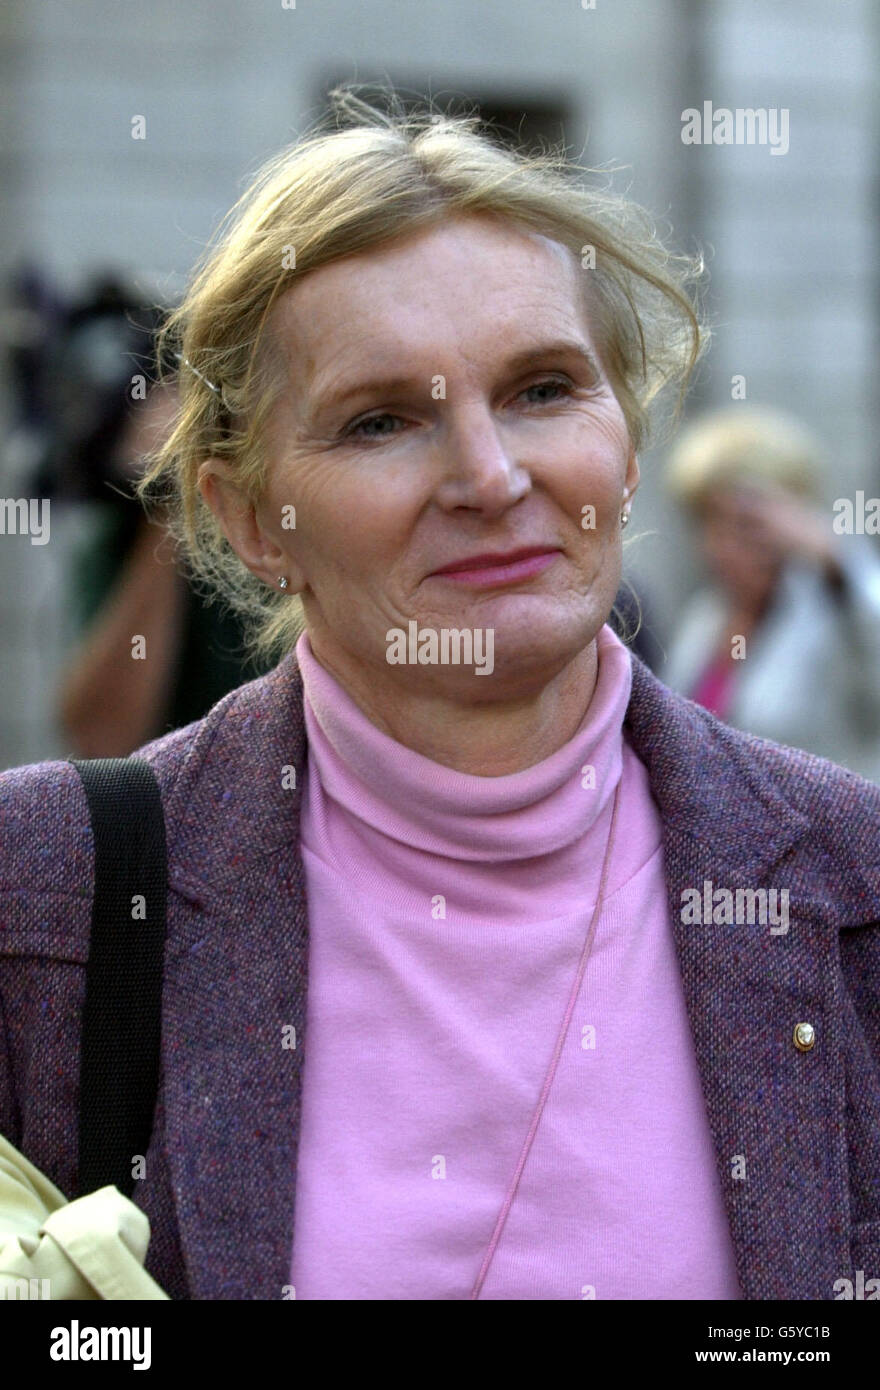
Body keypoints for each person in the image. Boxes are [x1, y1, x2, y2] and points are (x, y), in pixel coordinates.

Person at [1, 90, 878, 1302]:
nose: (489, 473)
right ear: (252, 520)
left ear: (623, 446)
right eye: (380, 420)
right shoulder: (44, 893)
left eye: (540, 389)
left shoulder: (851, 878)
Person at [662, 405, 880, 781]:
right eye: (709, 521)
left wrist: (836, 559)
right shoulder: (708, 616)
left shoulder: (834, 610)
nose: (726, 544)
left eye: (749, 524)